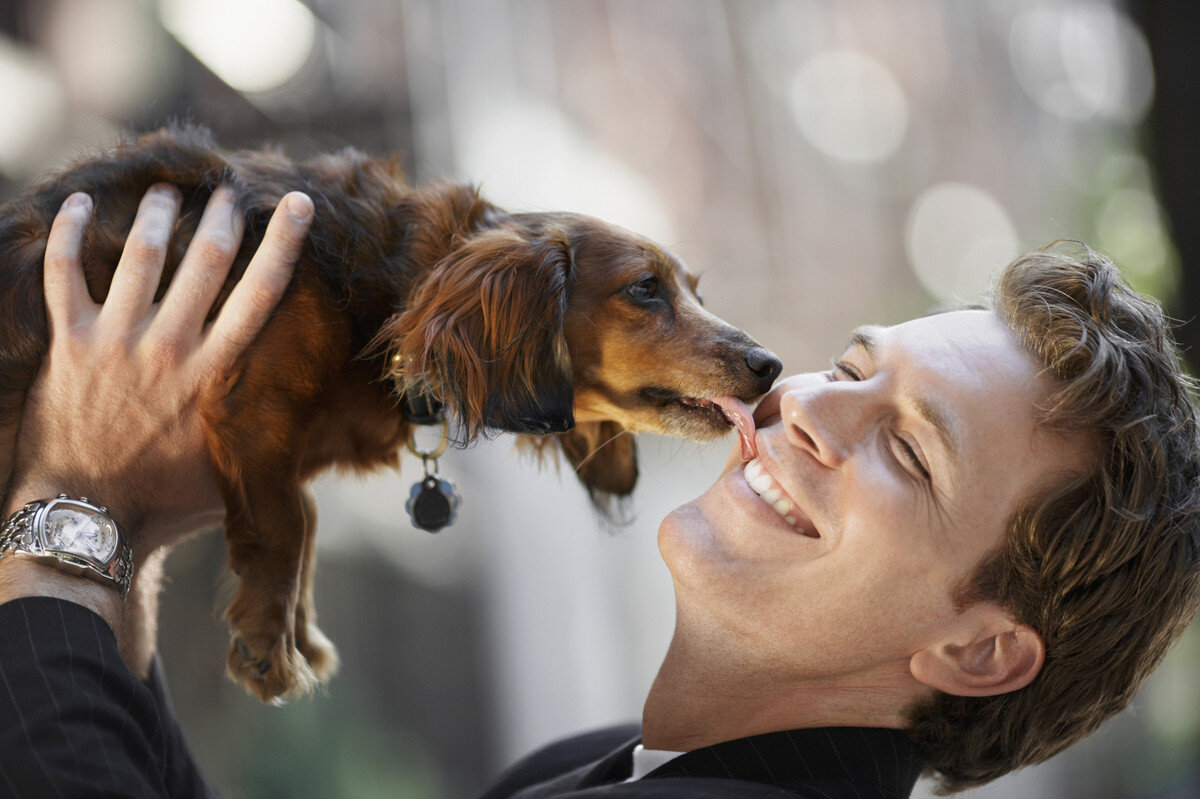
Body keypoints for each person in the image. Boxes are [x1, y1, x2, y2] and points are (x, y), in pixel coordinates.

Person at [0, 186, 1197, 798]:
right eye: (852, 367)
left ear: (980, 652)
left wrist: (66, 510)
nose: (801, 404)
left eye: (913, 452)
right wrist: (127, 542)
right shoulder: (617, 758)